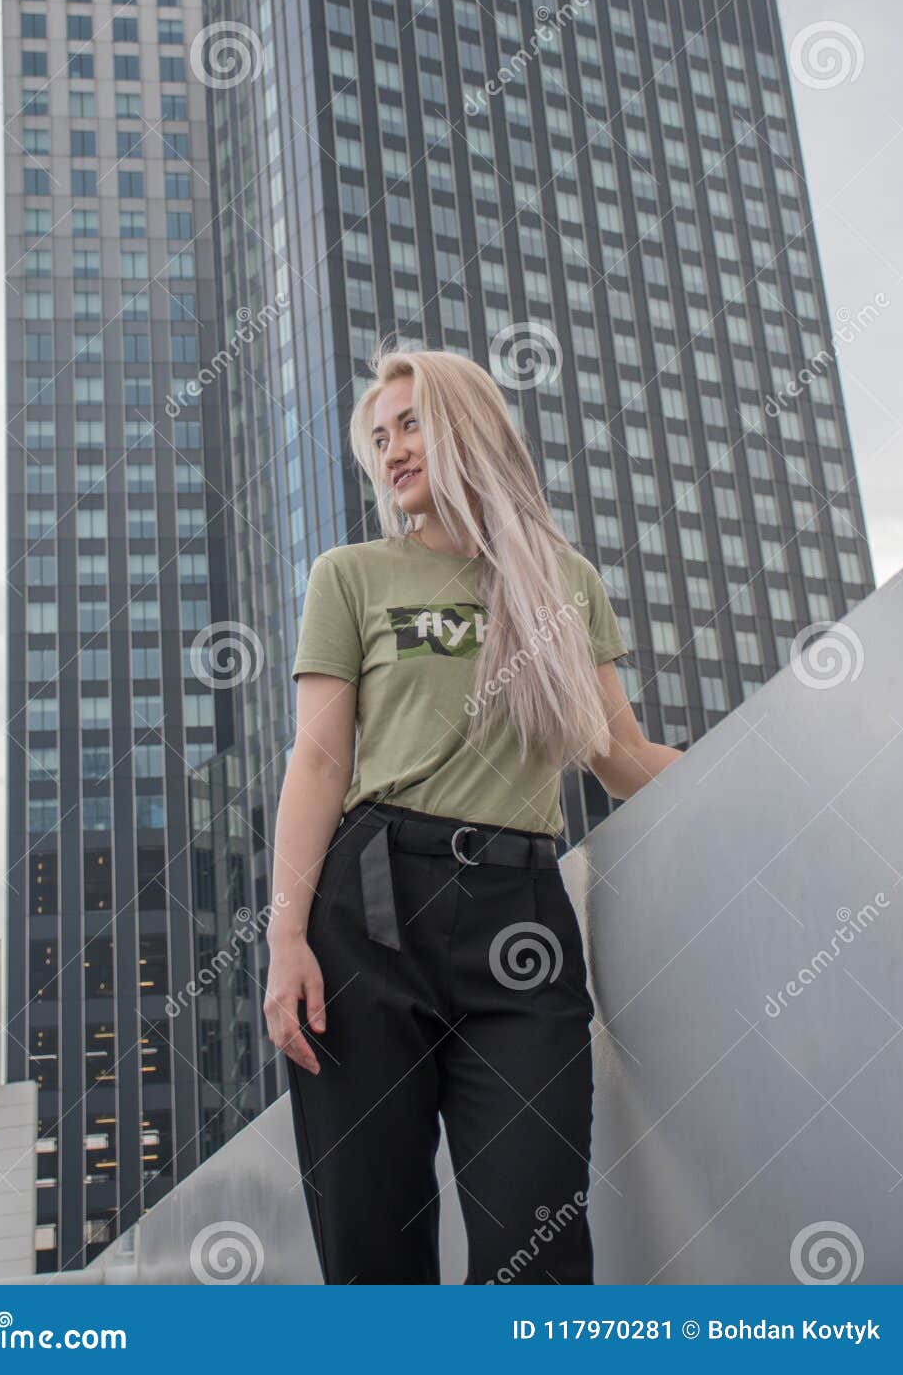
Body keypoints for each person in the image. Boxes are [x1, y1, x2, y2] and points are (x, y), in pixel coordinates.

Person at [263, 346, 681, 1284]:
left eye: (410, 425)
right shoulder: (352, 575)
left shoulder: (562, 583)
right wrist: (286, 937)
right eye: (378, 438)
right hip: (368, 907)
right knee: (372, 1250)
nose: (392, 451)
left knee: (535, 1249)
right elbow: (320, 759)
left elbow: (619, 758)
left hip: (518, 915)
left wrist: (755, 777)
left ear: (468, 430)